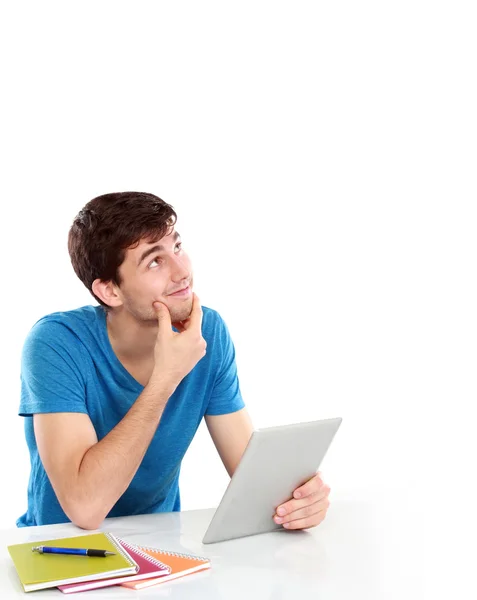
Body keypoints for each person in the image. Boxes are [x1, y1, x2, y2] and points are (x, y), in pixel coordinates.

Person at [17, 191, 331, 530]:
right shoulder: (56, 344)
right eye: (154, 261)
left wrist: (299, 502)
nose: (182, 273)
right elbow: (85, 508)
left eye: (177, 247)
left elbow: (256, 487)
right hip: (62, 550)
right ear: (110, 291)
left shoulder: (207, 331)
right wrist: (165, 379)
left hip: (160, 550)